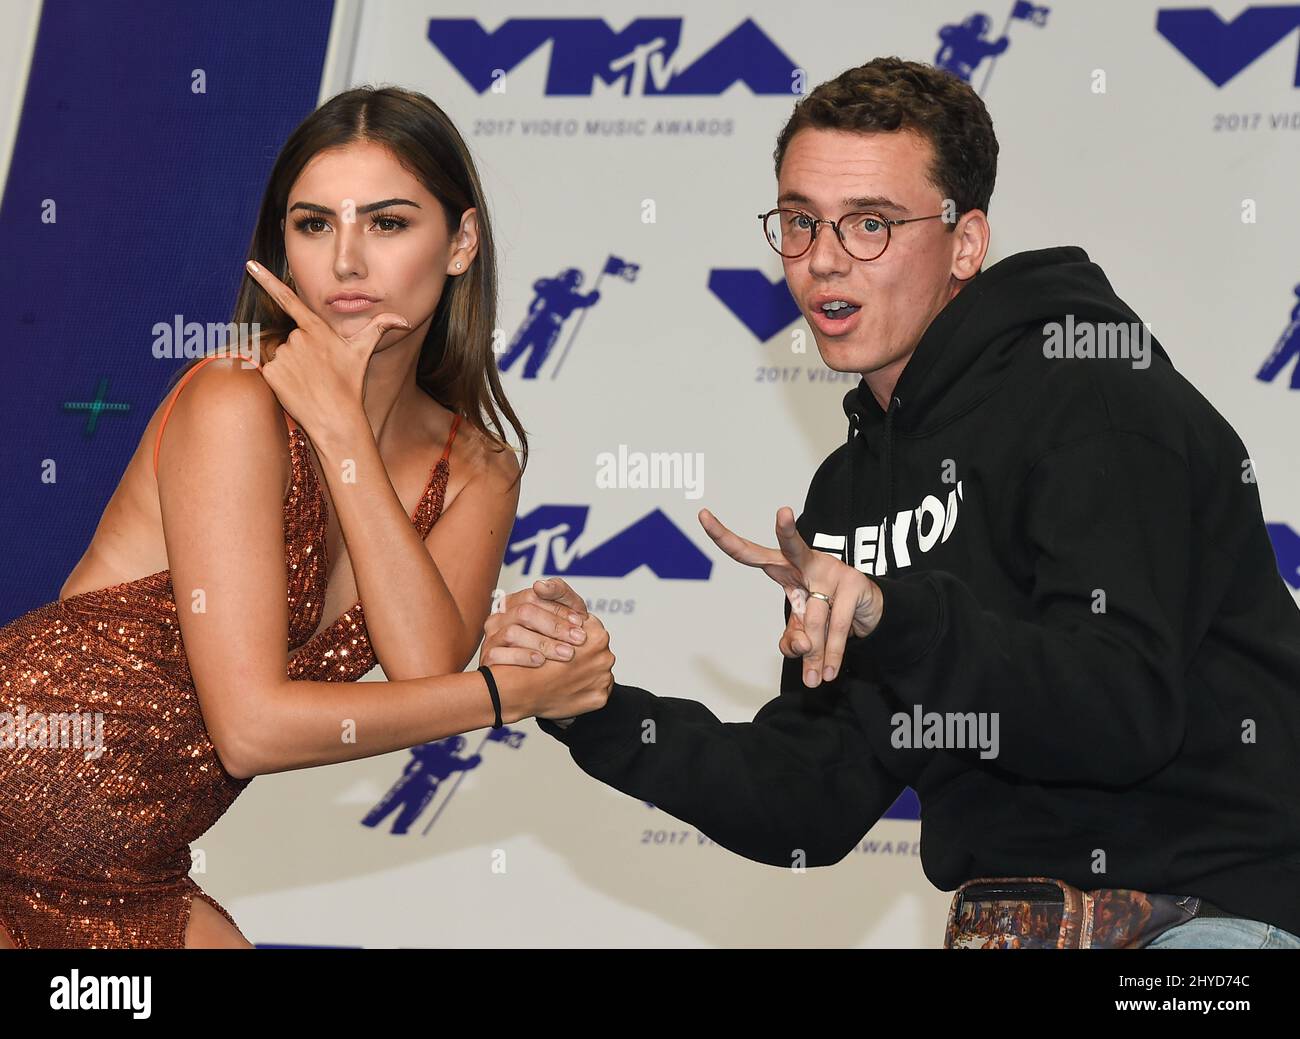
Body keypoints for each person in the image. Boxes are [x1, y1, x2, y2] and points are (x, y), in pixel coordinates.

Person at [481, 57, 1300, 949]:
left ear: (965, 241)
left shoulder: (1096, 396)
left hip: (1211, 928)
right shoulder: (852, 489)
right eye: (800, 222)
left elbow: (1122, 712)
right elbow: (809, 798)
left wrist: (889, 610)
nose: (824, 259)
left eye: (870, 223)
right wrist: (586, 705)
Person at [0, 86, 613, 949]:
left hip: (131, 866)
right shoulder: (233, 397)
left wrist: (341, 428)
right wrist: (502, 696)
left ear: (461, 242)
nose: (347, 261)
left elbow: (422, 660)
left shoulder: (477, 468)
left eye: (389, 223)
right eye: (315, 224)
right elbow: (249, 729)